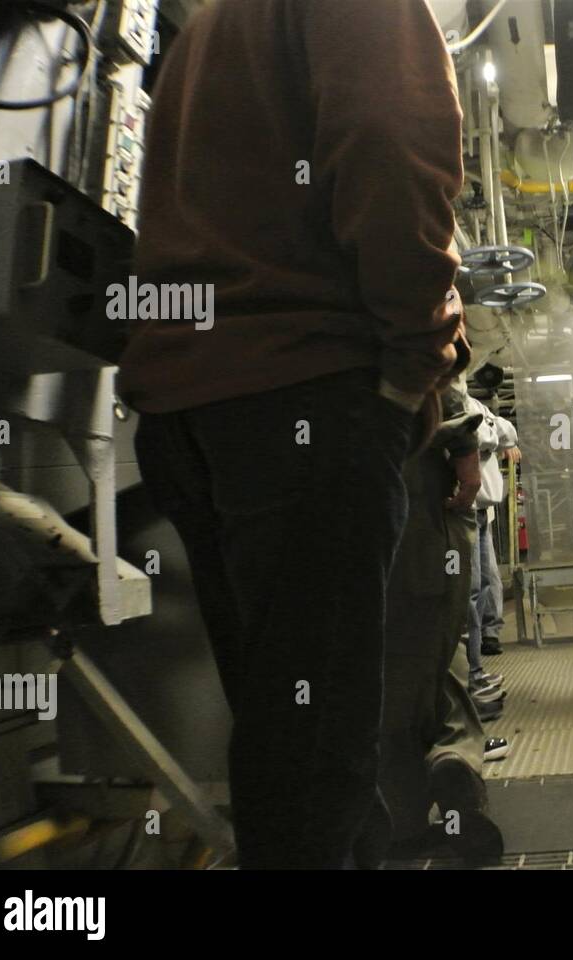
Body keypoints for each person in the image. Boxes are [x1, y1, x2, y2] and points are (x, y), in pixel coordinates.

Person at [116, 0, 465, 868]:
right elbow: (391, 146)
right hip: (304, 392)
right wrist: (413, 363)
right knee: (313, 750)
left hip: (192, 410)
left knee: (289, 722)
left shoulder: (203, 30)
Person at [358, 382, 504, 865]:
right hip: (420, 484)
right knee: (442, 643)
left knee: (382, 660)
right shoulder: (402, 309)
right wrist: (465, 460)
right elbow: (435, 361)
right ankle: (454, 758)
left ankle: (401, 816)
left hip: (342, 489)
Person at [465, 398, 520, 678]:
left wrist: (488, 430)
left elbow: (508, 432)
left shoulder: (473, 403)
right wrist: (490, 432)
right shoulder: (450, 398)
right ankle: (471, 669)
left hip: (483, 508)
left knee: (486, 579)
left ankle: (487, 637)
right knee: (471, 589)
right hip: (465, 508)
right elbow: (475, 435)